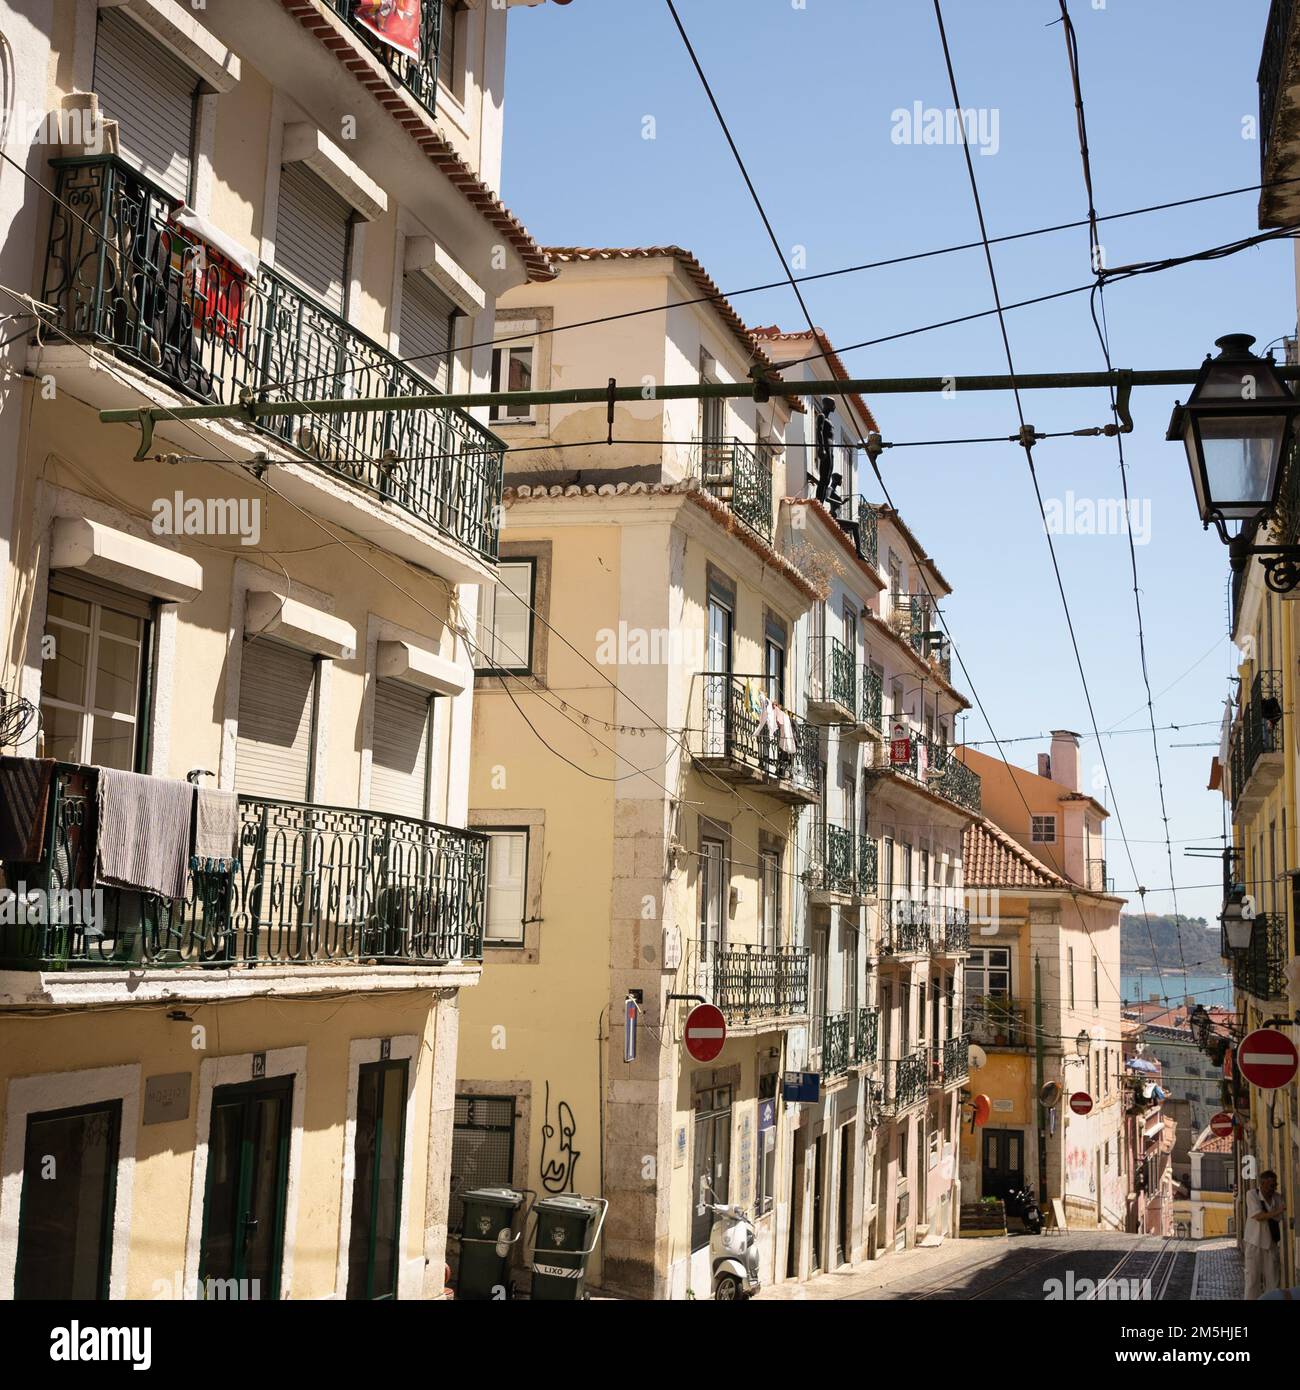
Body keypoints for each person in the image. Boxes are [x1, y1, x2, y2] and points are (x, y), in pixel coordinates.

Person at [1244, 1170, 1286, 1298]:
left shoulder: (1277, 1197)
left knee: (1273, 1281)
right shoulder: (1252, 1195)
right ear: (1262, 1184)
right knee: (1252, 1281)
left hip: (1271, 1244)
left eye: (1275, 1185)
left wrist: (1275, 1213)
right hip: (1254, 1242)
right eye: (1271, 1185)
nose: (1273, 1188)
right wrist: (1277, 1211)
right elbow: (1258, 1216)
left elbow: (1279, 1218)